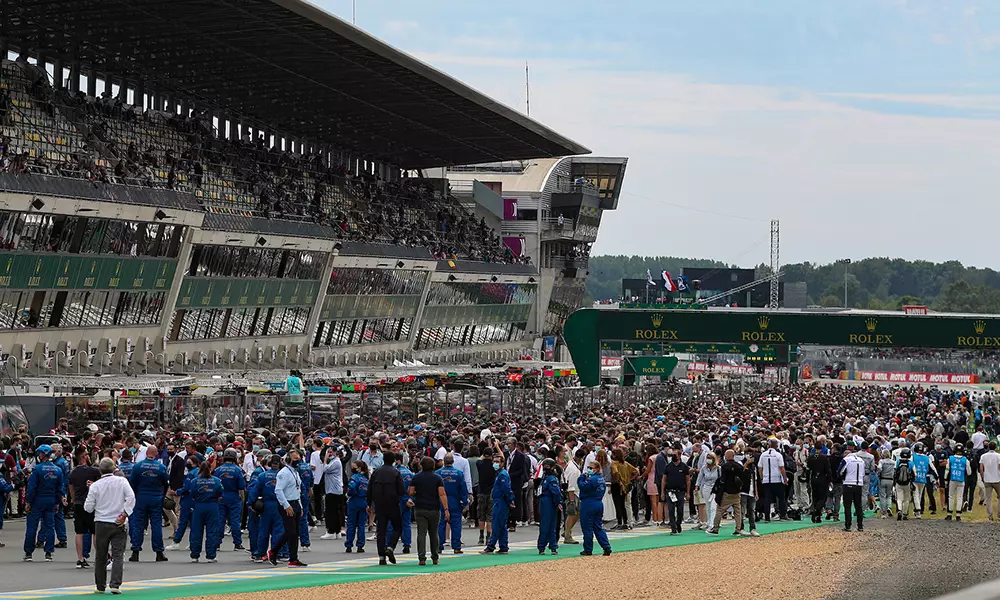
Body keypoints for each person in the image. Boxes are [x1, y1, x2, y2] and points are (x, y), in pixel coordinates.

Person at [84, 458, 135, 595]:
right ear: (114, 469)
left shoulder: (95, 486)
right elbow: (131, 497)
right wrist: (125, 514)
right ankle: (115, 585)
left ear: (100, 470)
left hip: (101, 522)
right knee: (118, 555)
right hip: (118, 522)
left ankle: (100, 586)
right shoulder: (122, 481)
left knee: (101, 555)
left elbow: (88, 508)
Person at [23, 445, 64, 562]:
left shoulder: (37, 470)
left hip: (37, 500)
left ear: (41, 454)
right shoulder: (58, 469)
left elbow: (31, 488)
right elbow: (60, 488)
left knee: (32, 527)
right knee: (49, 526)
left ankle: (28, 553)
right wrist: (57, 502)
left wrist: (28, 502)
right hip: (51, 500)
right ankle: (49, 552)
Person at [128, 445, 169, 562]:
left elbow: (132, 482)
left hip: (141, 497)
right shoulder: (161, 467)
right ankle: (159, 552)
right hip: (156, 497)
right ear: (156, 453)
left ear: (147, 453)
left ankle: (135, 551)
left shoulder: (137, 466)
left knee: (138, 524)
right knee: (156, 525)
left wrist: (136, 495)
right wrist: (162, 495)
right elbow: (165, 482)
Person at [368, 450, 405, 565]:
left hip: (379, 504)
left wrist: (369, 504)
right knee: (397, 527)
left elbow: (369, 489)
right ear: (394, 460)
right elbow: (401, 490)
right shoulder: (396, 472)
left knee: (381, 530)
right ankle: (390, 547)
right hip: (393, 504)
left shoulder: (377, 472)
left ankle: (381, 557)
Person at [409, 456, 448, 566]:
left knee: (421, 533)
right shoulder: (437, 478)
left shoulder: (416, 477)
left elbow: (410, 492)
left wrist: (417, 494)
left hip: (420, 508)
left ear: (421, 465)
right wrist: (446, 509)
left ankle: (422, 558)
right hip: (434, 508)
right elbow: (442, 494)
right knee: (434, 533)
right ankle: (435, 557)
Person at [248, 454, 284, 564]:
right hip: (280, 504)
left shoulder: (262, 476)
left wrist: (250, 503)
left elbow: (254, 490)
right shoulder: (284, 475)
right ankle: (276, 554)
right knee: (278, 530)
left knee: (263, 530)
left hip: (266, 505)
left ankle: (260, 554)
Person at [272, 450, 306, 567]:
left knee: (295, 533)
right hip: (287, 503)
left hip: (295, 502)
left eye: (298, 459)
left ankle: (293, 558)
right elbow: (278, 490)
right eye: (295, 459)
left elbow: (297, 490)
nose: (298, 461)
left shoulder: (295, 472)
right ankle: (274, 551)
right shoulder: (283, 473)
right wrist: (286, 505)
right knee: (290, 531)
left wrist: (300, 506)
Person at [186, 461, 222, 563]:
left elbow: (191, 494)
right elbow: (220, 494)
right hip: (212, 506)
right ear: (210, 468)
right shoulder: (216, 481)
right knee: (212, 531)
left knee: (196, 531)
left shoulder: (194, 481)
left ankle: (195, 555)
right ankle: (211, 556)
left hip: (199, 506)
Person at [69, 448, 100, 568]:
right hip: (91, 504)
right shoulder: (93, 471)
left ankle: (80, 558)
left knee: (79, 532)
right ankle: (99, 556)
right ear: (84, 456)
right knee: (95, 531)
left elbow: (71, 488)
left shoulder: (73, 472)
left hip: (78, 503)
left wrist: (73, 500)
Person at [213, 448, 246, 550]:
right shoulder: (237, 470)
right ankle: (237, 543)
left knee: (220, 520)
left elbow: (214, 484)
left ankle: (217, 543)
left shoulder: (218, 470)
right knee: (235, 520)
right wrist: (242, 499)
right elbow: (241, 487)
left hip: (221, 497)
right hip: (233, 497)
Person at [165, 455, 200, 551]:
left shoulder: (191, 474)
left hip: (188, 500)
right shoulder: (198, 473)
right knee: (194, 524)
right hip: (196, 501)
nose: (187, 464)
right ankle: (193, 543)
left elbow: (187, 488)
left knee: (183, 522)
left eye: (190, 463)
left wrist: (177, 492)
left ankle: (176, 542)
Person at [481, 453, 514, 555]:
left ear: (502, 463)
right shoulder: (499, 474)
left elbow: (506, 489)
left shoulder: (502, 475)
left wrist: (510, 500)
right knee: (501, 525)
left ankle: (491, 546)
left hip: (501, 502)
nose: (495, 464)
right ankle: (503, 546)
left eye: (497, 462)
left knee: (496, 524)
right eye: (494, 461)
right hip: (499, 501)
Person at [578, 460, 612, 556]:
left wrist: (581, 477)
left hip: (588, 503)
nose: (589, 469)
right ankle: (606, 546)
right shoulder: (601, 479)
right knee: (598, 527)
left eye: (591, 468)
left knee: (587, 527)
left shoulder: (591, 479)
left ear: (597, 469)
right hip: (598, 503)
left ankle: (588, 549)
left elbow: (582, 486)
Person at [436, 453, 468, 554]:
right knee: (456, 525)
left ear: (444, 461)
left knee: (441, 524)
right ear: (453, 461)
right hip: (455, 502)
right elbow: (463, 488)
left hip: (441, 502)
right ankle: (456, 547)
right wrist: (465, 501)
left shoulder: (438, 473)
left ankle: (439, 546)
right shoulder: (458, 473)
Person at [709, 450, 744, 535]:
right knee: (737, 511)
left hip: (727, 492)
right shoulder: (739, 466)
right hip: (736, 492)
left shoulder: (724, 466)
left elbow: (722, 480)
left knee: (720, 510)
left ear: (727, 456)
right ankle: (738, 529)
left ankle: (715, 528)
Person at [385, 452, 414, 553]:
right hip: (407, 500)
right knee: (406, 523)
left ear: (397, 461)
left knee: (392, 523)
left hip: (396, 500)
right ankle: (407, 545)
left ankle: (389, 544)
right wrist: (411, 499)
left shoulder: (394, 472)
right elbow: (413, 489)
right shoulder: (410, 473)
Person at [660, 447, 690, 535]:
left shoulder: (684, 467)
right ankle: (673, 527)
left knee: (680, 510)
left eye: (675, 455)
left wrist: (687, 493)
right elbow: (663, 480)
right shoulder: (668, 466)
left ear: (680, 456)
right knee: (671, 509)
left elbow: (688, 480)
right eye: (672, 455)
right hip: (670, 491)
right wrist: (662, 492)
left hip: (680, 491)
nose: (673, 457)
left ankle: (678, 523)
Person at [758, 438, 788, 522]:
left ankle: (767, 517)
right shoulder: (778, 455)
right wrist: (785, 478)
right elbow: (782, 468)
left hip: (766, 479)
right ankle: (782, 515)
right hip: (777, 479)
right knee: (781, 498)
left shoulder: (763, 454)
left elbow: (760, 468)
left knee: (767, 498)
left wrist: (761, 478)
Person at [537, 458, 563, 554]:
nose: (546, 468)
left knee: (547, 525)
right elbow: (555, 492)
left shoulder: (548, 478)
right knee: (550, 525)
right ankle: (550, 546)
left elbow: (554, 492)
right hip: (547, 502)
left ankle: (544, 546)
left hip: (546, 502)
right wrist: (559, 502)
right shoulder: (549, 478)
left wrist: (558, 501)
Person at [320, 445, 345, 540]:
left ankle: (331, 531)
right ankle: (337, 531)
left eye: (331, 452)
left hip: (333, 490)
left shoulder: (336, 462)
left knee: (330, 512)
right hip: (335, 489)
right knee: (336, 511)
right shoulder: (335, 461)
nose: (329, 454)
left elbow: (325, 469)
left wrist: (325, 459)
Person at [840, 441, 866, 532]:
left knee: (847, 506)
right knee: (858, 506)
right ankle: (860, 526)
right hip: (858, 484)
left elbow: (840, 471)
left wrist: (844, 477)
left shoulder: (846, 460)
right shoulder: (861, 460)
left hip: (848, 483)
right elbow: (863, 474)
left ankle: (848, 525)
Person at [344, 461, 369, 553]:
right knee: (361, 525)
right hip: (363, 501)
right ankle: (360, 546)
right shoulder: (366, 478)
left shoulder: (355, 477)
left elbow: (351, 487)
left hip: (354, 501)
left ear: (358, 468)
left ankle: (349, 545)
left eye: (354, 467)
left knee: (351, 524)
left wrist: (350, 494)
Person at [695, 452, 721, 532]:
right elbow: (699, 478)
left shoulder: (718, 468)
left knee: (714, 506)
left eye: (710, 458)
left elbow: (721, 479)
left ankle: (712, 524)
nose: (708, 459)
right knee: (708, 507)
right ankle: (709, 522)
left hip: (715, 489)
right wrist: (697, 487)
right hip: (706, 488)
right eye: (707, 457)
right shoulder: (704, 468)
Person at [945, 444, 971, 521]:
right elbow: (969, 472)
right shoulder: (965, 459)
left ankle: (949, 514)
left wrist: (945, 479)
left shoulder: (950, 458)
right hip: (961, 479)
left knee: (951, 496)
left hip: (953, 479)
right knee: (960, 497)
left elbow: (947, 470)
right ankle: (958, 515)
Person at [806, 444, 831, 523]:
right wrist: (830, 480)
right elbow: (828, 470)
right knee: (823, 497)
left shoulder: (811, 457)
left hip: (813, 478)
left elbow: (808, 469)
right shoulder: (824, 457)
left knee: (815, 496)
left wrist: (807, 480)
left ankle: (816, 513)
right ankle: (817, 510)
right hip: (822, 478)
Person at [562, 448, 582, 545]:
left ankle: (567, 531)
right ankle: (567, 535)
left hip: (575, 492)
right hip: (573, 494)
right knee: (572, 514)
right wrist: (572, 501)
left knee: (575, 514)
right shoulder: (574, 470)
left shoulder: (572, 465)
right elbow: (571, 487)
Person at [980, 441, 1000, 521]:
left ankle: (990, 515)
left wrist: (982, 477)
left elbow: (981, 469)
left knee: (988, 498)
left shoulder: (983, 456)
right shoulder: (998, 456)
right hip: (997, 478)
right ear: (995, 447)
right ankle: (999, 514)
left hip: (987, 479)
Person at [893, 448, 914, 520]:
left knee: (899, 498)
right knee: (906, 499)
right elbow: (915, 473)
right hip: (907, 482)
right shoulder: (911, 463)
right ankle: (905, 514)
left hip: (898, 482)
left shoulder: (898, 462)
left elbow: (895, 471)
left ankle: (899, 510)